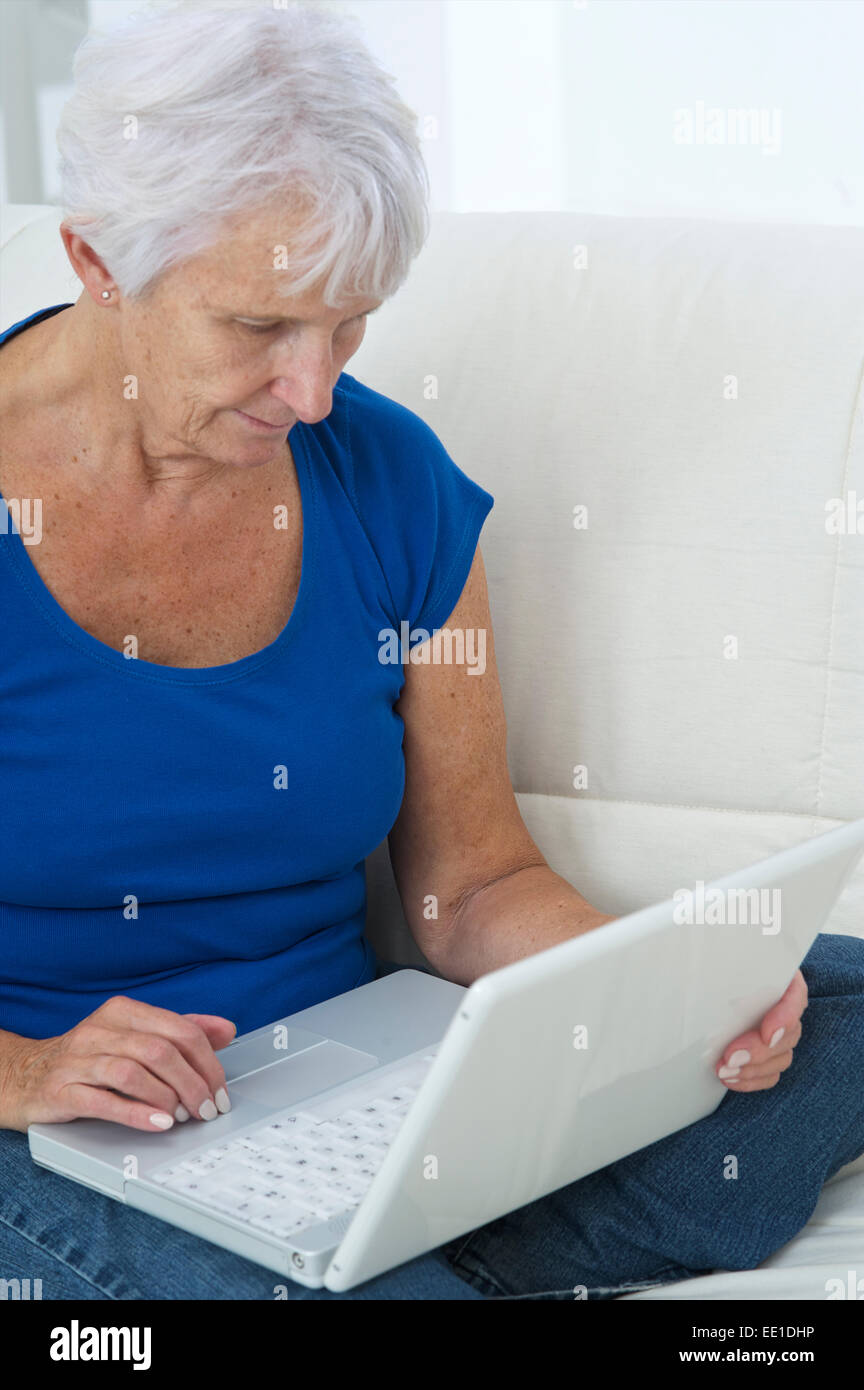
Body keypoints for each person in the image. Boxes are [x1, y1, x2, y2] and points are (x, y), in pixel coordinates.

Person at [1, 1, 862, 1301]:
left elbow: (468, 888)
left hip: (343, 1088)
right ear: (97, 258)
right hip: (60, 1133)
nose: (315, 391)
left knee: (823, 1004)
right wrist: (27, 1070)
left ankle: (390, 1235)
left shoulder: (389, 477)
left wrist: (666, 1001)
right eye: (259, 328)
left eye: (348, 324)